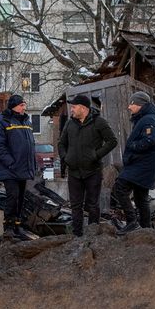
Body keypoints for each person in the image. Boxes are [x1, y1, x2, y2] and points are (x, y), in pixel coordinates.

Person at [58, 94, 118, 237]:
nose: (71, 109)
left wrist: (96, 155)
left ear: (83, 108)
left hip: (93, 171)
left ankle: (92, 235)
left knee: (92, 205)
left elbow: (112, 141)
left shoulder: (99, 122)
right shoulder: (70, 123)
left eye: (74, 107)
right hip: (74, 172)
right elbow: (61, 143)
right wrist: (65, 158)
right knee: (75, 205)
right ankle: (77, 235)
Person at [113, 90, 155, 234]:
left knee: (120, 187)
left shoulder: (149, 119)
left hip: (142, 165)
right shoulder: (147, 118)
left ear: (140, 104)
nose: (129, 107)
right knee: (140, 197)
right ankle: (146, 229)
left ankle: (132, 222)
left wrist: (132, 146)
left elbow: (150, 140)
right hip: (145, 165)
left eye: (132, 103)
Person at [0, 94, 35, 239]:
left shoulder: (26, 121)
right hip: (10, 168)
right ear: (14, 106)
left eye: (24, 105)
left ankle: (17, 226)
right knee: (12, 196)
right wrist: (10, 162)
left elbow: (29, 144)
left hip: (23, 167)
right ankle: (8, 227)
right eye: (21, 105)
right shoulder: (1, 121)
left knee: (21, 198)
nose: (24, 108)